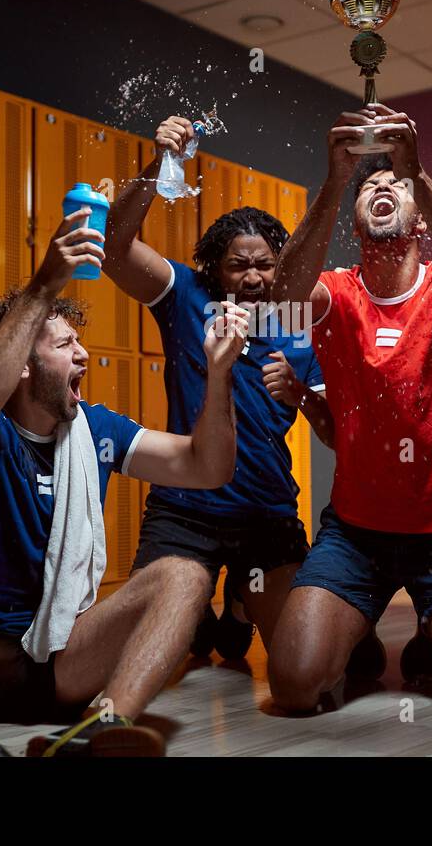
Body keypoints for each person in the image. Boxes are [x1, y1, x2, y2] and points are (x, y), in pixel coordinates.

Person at [0, 205, 249, 757]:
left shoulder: (94, 430)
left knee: (183, 575)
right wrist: (46, 280)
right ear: (22, 366)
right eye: (64, 345)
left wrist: (220, 375)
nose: (84, 353)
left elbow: (208, 467)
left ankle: (99, 734)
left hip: (53, 657)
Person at [266, 102, 432, 711]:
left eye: (394, 183)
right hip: (354, 535)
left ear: (418, 214)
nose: (382, 186)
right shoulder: (337, 292)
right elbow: (283, 293)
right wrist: (333, 181)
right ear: (354, 214)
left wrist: (416, 171)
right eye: (369, 184)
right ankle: (361, 629)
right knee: (294, 685)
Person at [100, 115, 333, 662]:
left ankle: (237, 605)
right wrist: (159, 167)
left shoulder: (300, 321)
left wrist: (303, 394)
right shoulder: (184, 296)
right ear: (215, 270)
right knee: (140, 653)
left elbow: (333, 431)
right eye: (238, 267)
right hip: (185, 512)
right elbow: (113, 249)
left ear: (283, 270)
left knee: (301, 669)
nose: (253, 279)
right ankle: (208, 613)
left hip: (265, 513)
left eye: (266, 267)